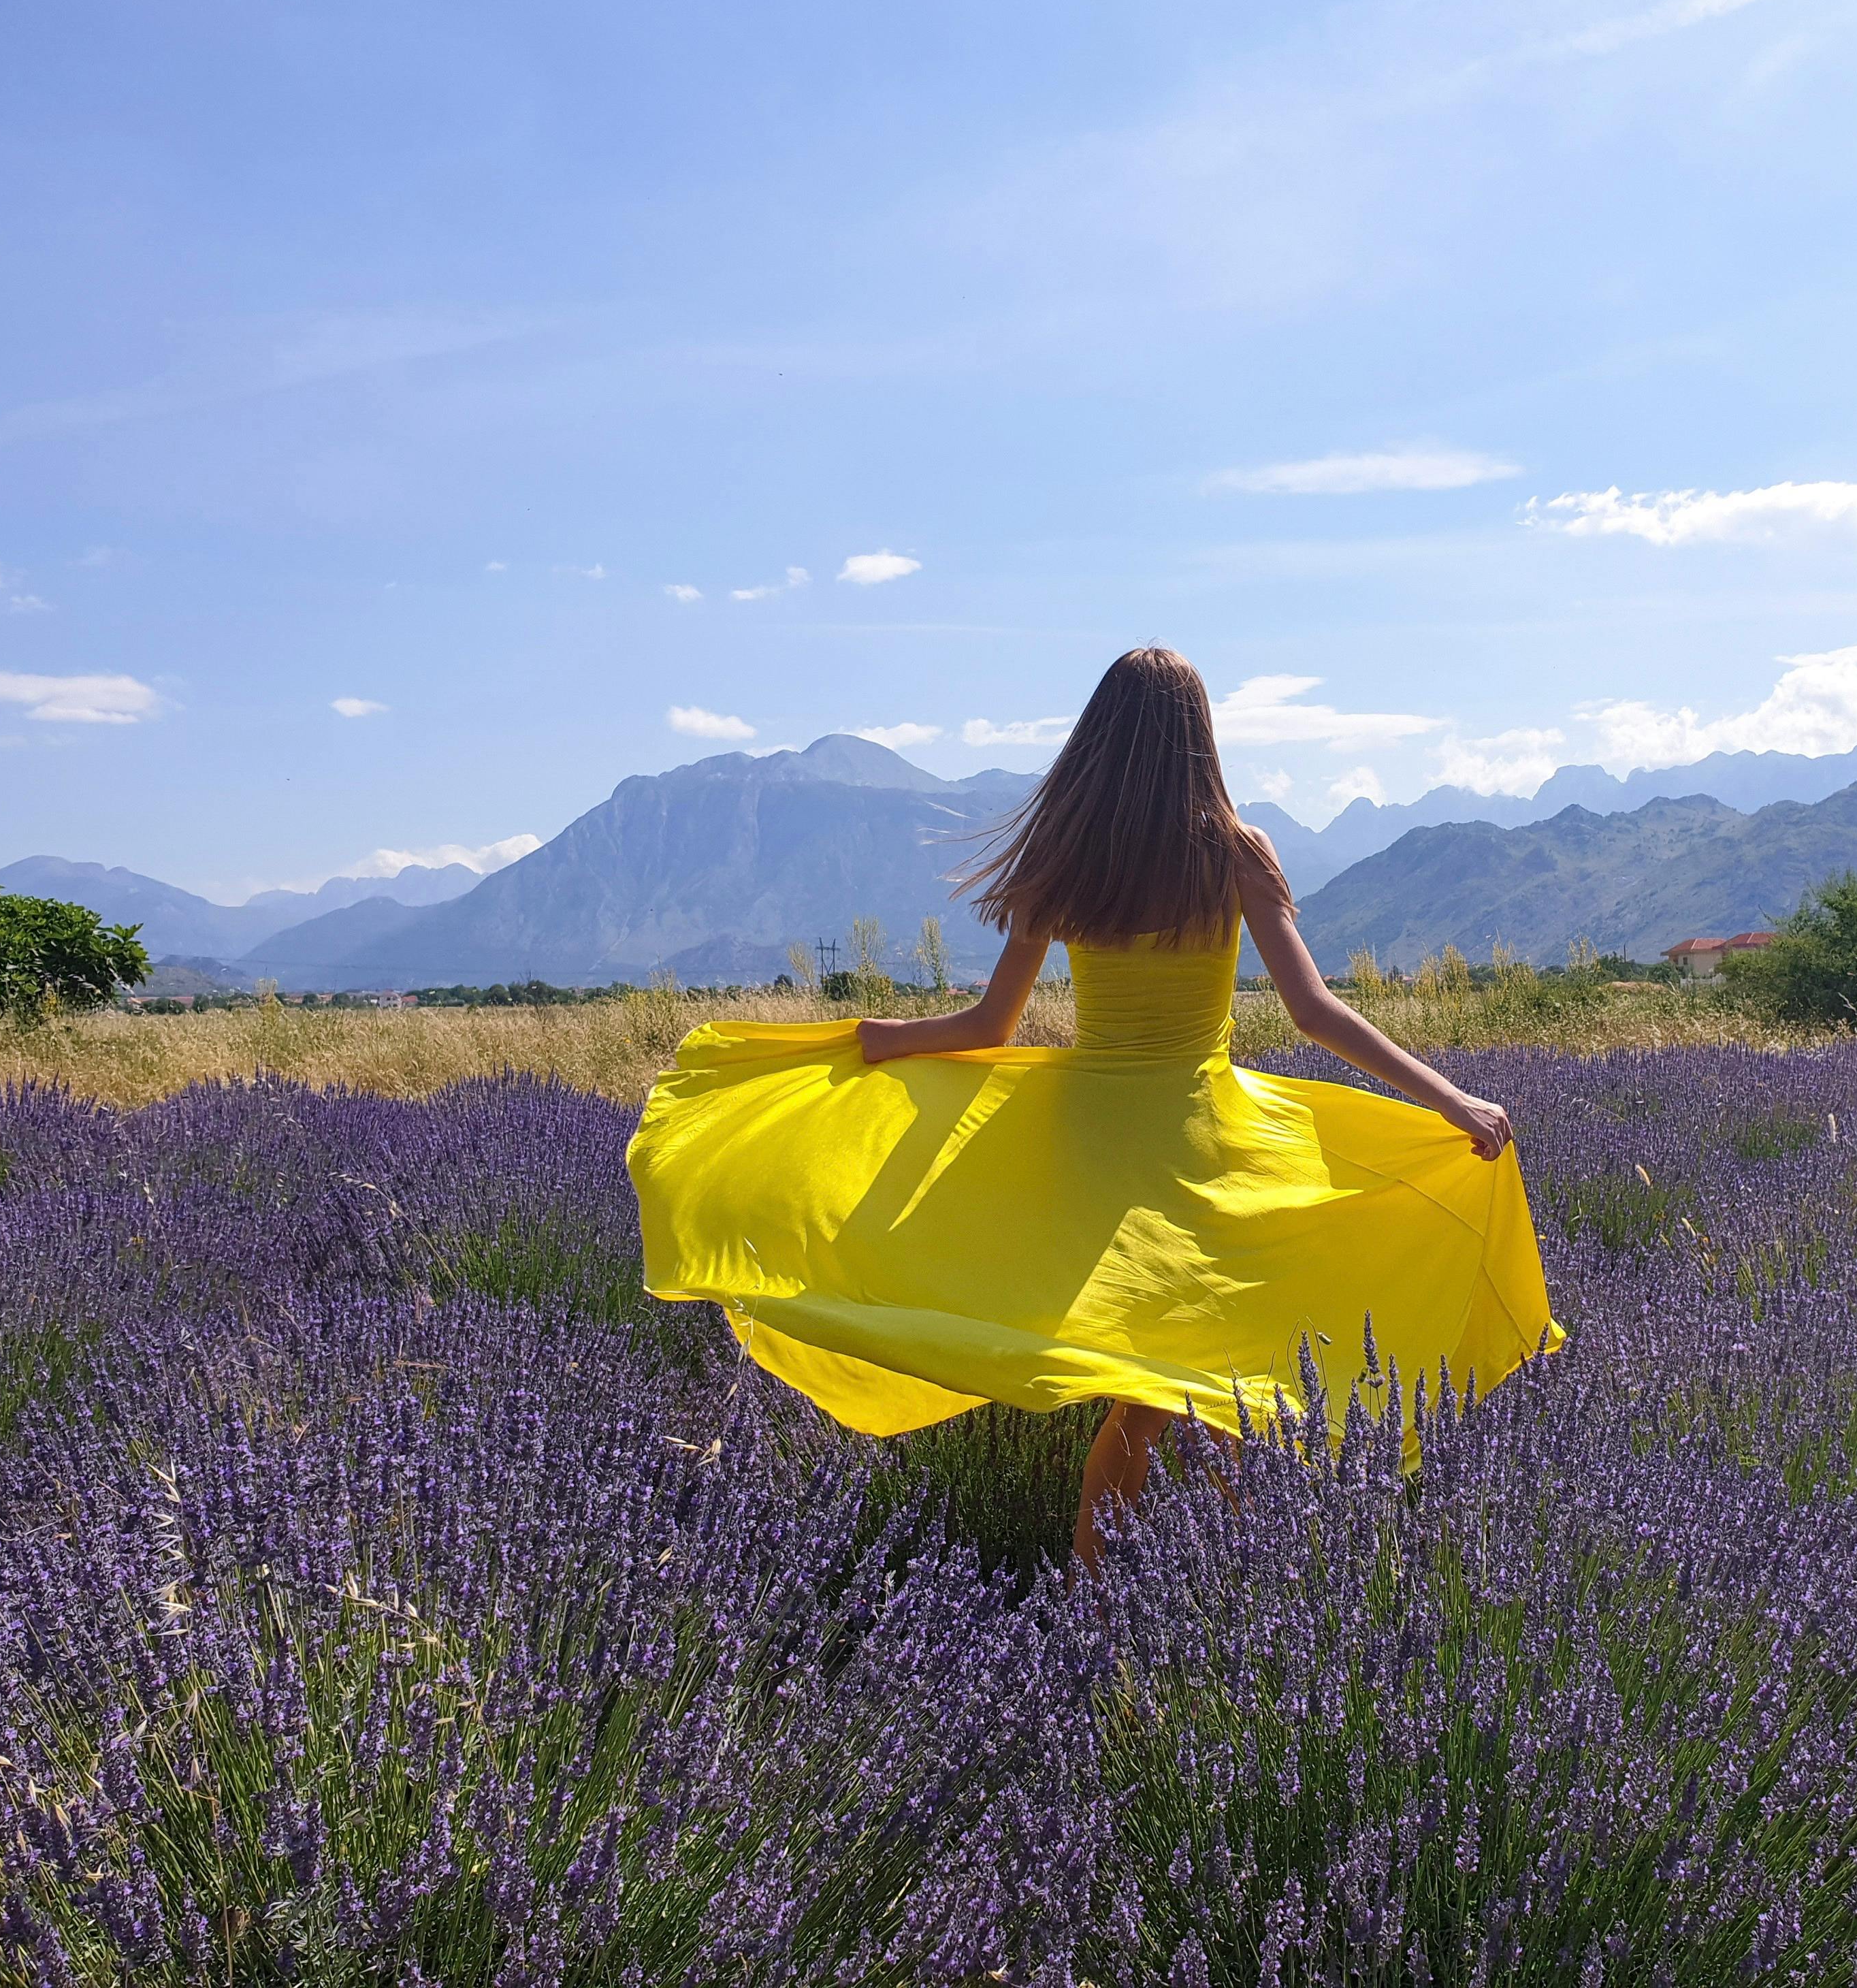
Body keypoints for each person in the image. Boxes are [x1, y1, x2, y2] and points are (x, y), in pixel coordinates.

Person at [628, 647, 1559, 1567]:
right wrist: (1451, 1101)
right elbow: (1314, 1011)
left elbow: (991, 1025)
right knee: (1197, 1381)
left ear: (1100, 740)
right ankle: (1160, 1610)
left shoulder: (1069, 858)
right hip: (1201, 1145)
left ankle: (1103, 1604)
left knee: (1154, 1387)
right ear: (1199, 737)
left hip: (1092, 1145)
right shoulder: (1235, 851)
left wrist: (873, 1041)